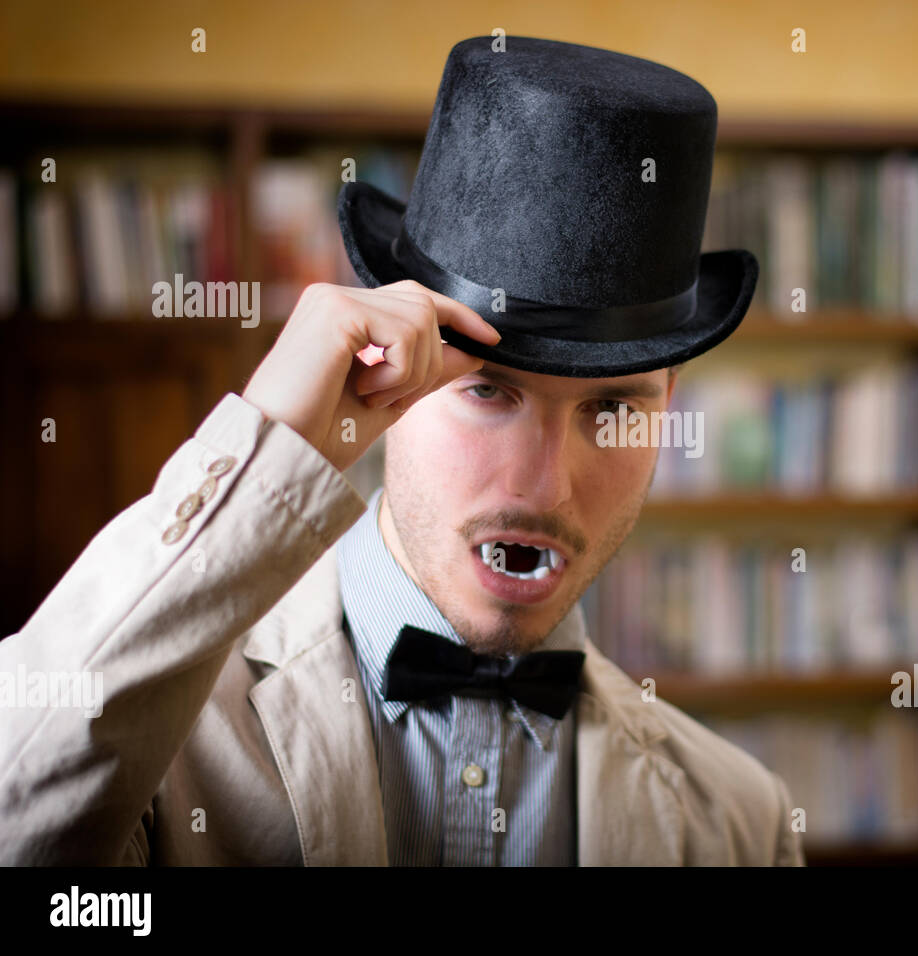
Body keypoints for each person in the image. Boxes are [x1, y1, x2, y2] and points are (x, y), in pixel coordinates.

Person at [0, 35, 805, 866]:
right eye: (488, 390)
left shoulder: (742, 826)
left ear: (668, 406)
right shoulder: (159, 752)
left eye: (610, 410)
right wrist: (268, 442)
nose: (543, 486)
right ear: (383, 372)